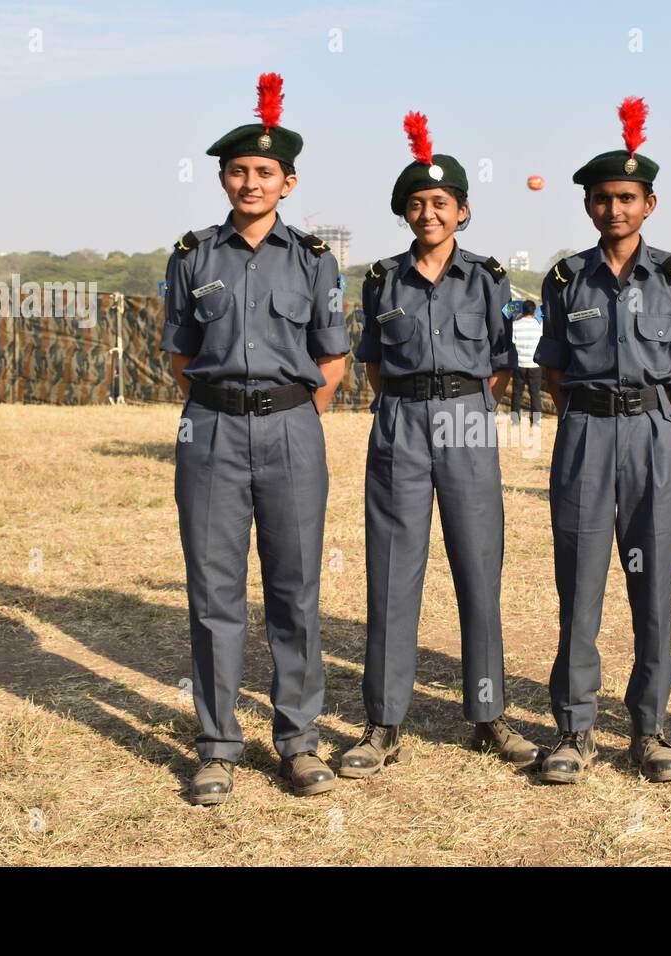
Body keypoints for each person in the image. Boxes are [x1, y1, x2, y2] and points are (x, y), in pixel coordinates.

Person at [162, 72, 350, 802]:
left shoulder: (314, 259)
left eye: (264, 172)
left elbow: (331, 359)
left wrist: (288, 416)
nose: (250, 181)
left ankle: (298, 740)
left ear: (288, 183)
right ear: (223, 178)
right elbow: (180, 355)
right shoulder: (191, 255)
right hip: (208, 426)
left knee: (294, 589)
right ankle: (216, 744)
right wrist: (224, 406)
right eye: (238, 171)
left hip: (291, 431)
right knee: (214, 593)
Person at [339, 112, 539, 779]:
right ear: (406, 213)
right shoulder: (381, 279)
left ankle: (488, 713)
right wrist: (409, 403)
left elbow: (503, 362)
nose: (429, 213)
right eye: (418, 205)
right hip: (401, 415)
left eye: (441, 203)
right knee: (393, 569)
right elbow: (372, 362)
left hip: (466, 416)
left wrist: (469, 407)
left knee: (478, 565)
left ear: (462, 210)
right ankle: (383, 721)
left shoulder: (486, 277)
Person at [534, 97, 671, 784]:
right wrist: (592, 413)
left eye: (627, 197)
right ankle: (574, 730)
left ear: (650, 204)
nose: (614, 209)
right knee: (579, 584)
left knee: (651, 585)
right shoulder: (565, 278)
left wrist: (662, 422)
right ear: (589, 206)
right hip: (583, 430)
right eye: (603, 198)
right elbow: (552, 369)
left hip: (652, 434)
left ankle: (649, 729)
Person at [510, 300, 545, 426]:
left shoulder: (515, 325)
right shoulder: (539, 326)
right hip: (535, 365)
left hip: (519, 364)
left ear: (522, 310)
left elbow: (513, 342)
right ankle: (535, 422)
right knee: (535, 394)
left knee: (516, 393)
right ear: (534, 311)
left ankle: (515, 421)